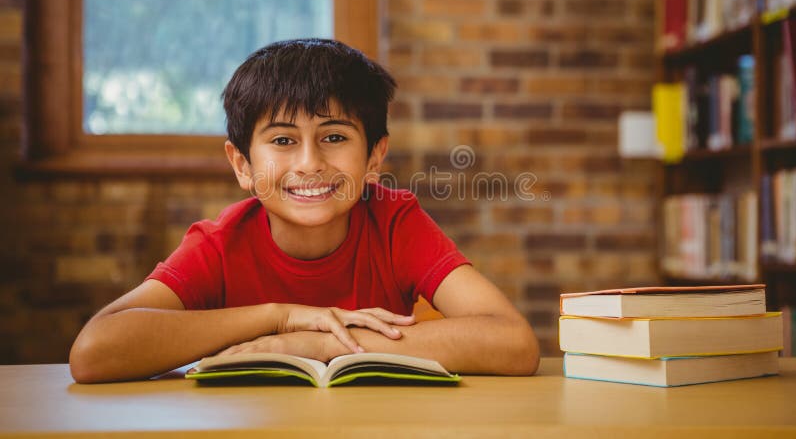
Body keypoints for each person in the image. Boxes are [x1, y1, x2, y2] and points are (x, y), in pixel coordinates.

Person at [69, 39, 540, 383]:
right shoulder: (220, 243)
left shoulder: (394, 221)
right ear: (242, 164)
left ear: (374, 157)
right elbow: (94, 353)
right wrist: (280, 318)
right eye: (282, 141)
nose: (310, 163)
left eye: (334, 137)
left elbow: (513, 343)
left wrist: (321, 344)